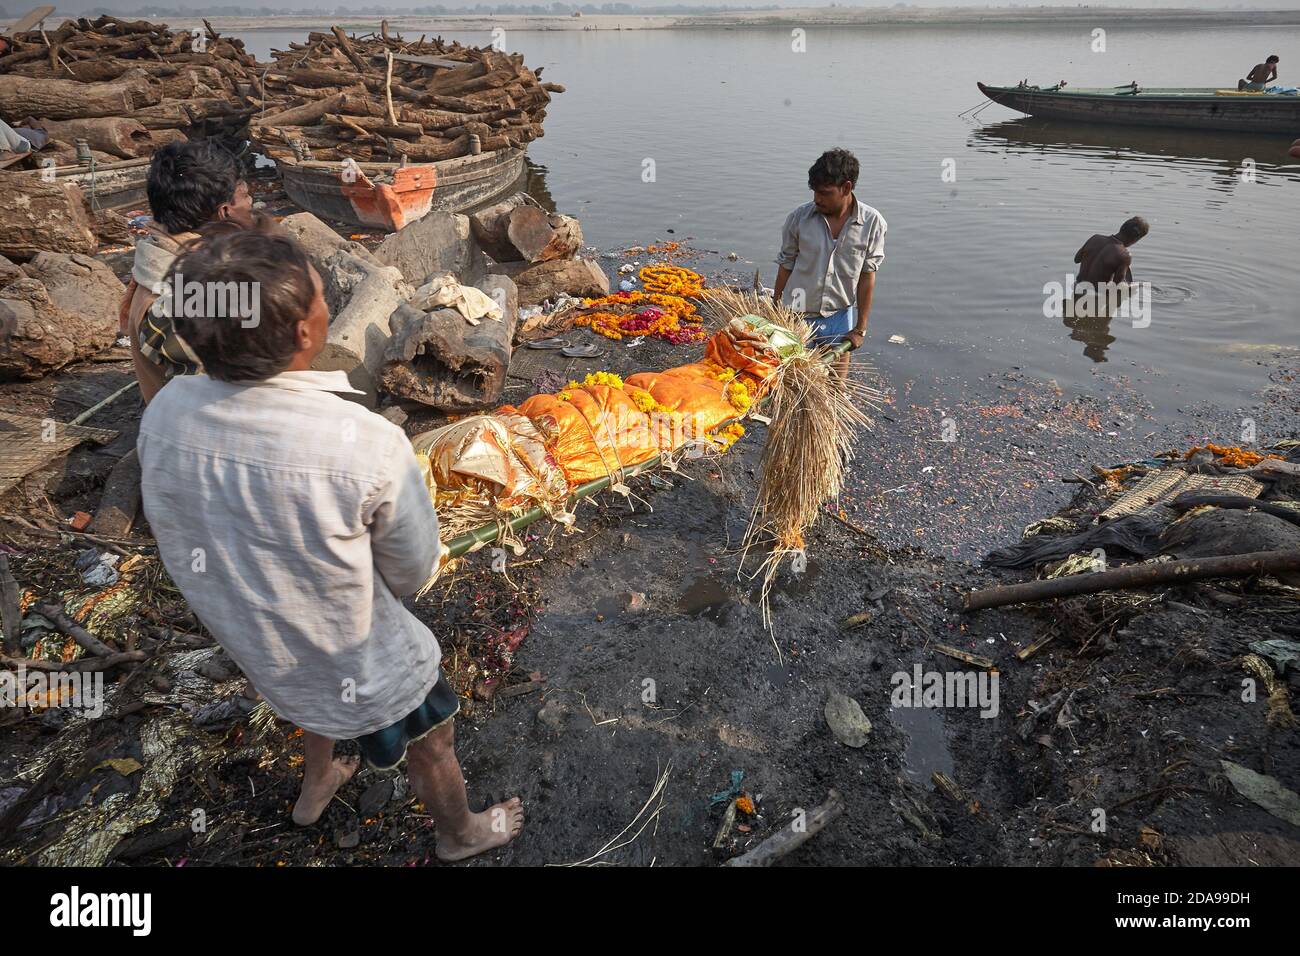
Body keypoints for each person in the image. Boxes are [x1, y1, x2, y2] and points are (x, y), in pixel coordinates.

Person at [135, 226, 524, 861]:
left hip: (256, 639)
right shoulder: (363, 443)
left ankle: (316, 783)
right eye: (321, 296)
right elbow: (413, 569)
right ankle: (461, 833)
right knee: (432, 741)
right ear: (306, 335)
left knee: (311, 689)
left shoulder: (168, 409)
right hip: (361, 657)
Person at [120, 139, 254, 403]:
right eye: (246, 195)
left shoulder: (164, 254)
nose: (252, 203)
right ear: (225, 212)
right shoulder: (173, 305)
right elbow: (215, 402)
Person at [773, 148, 886, 378]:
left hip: (839, 318)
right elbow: (786, 265)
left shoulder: (872, 223)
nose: (817, 199)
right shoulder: (799, 219)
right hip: (796, 315)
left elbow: (867, 276)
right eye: (815, 192)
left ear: (846, 188)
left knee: (835, 390)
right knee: (796, 387)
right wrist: (775, 311)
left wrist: (860, 329)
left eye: (824, 193)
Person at [1073, 216, 1149, 289]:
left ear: (1122, 227)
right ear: (1136, 239)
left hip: (1077, 287)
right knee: (1140, 286)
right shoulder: (1125, 255)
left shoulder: (1095, 238)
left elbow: (1076, 259)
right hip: (1096, 295)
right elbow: (1117, 286)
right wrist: (1135, 286)